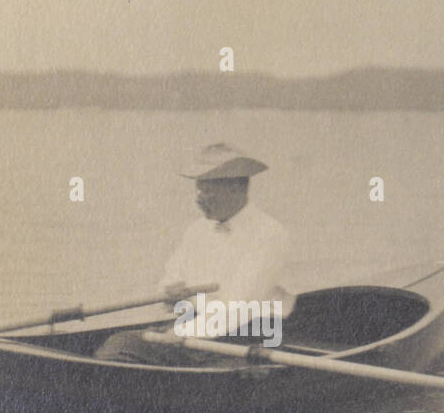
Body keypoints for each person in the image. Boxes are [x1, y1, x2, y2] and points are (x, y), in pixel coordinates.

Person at [95, 144, 294, 365]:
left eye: (208, 190)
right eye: (198, 189)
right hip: (196, 329)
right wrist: (172, 293)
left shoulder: (270, 235)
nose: (199, 198)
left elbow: (238, 306)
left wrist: (184, 332)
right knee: (118, 344)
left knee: (123, 353)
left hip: (250, 335)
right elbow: (171, 280)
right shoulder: (196, 230)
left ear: (237, 187)